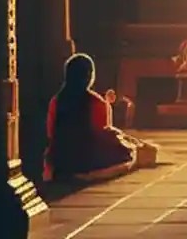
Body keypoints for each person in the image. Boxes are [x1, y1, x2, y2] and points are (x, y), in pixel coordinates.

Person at [44, 53, 158, 182]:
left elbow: (51, 132)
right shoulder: (94, 101)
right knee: (130, 153)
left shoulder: (56, 101)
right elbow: (103, 134)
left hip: (60, 160)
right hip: (88, 159)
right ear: (90, 75)